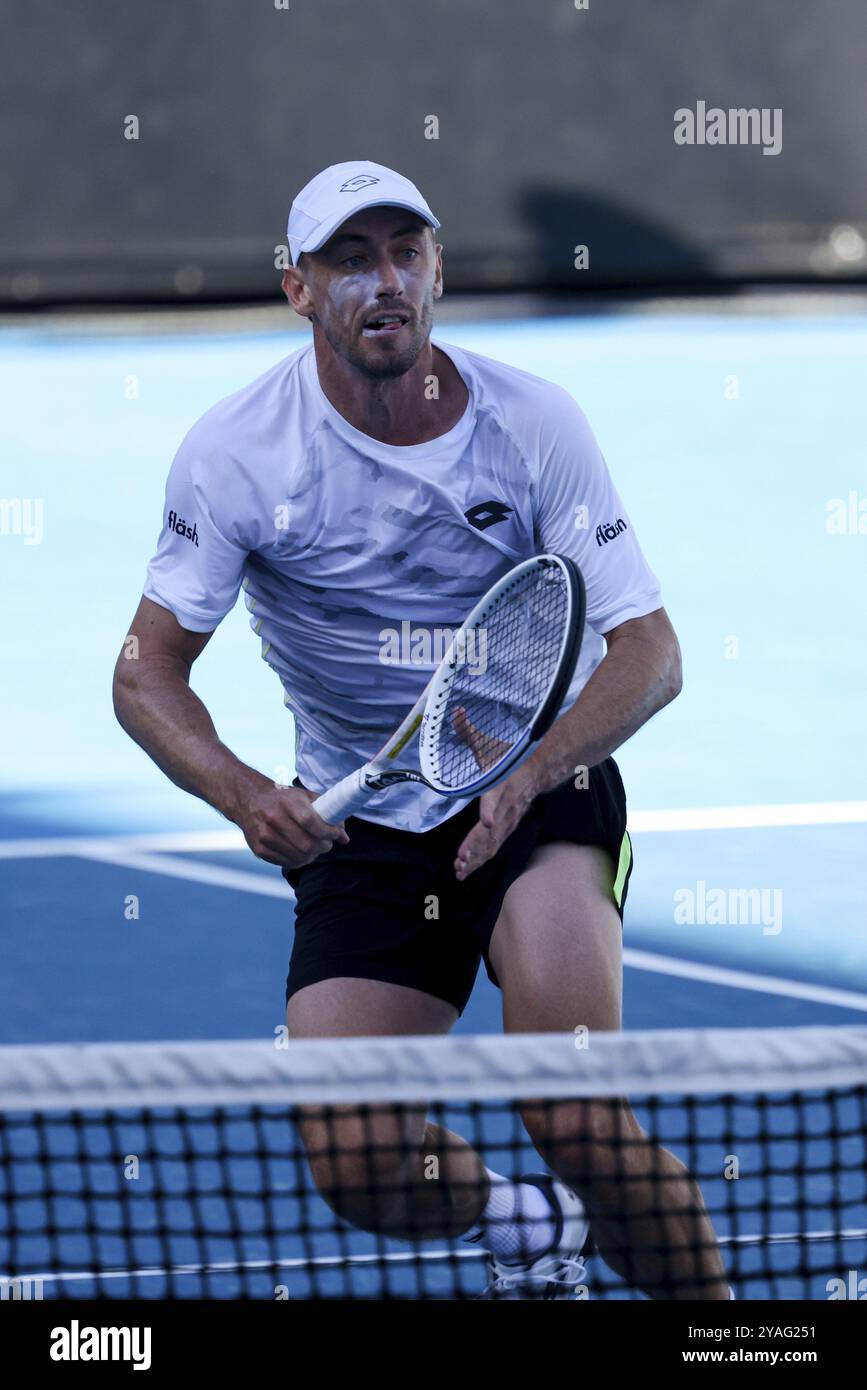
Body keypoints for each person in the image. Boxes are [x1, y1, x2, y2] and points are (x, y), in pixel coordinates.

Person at [113, 159, 728, 1300]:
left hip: (536, 793)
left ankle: (732, 1338)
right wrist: (246, 792)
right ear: (298, 288)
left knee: (577, 1111)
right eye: (351, 259)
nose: (383, 280)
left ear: (438, 267)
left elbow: (652, 653)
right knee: (354, 1158)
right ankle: (527, 1222)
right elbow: (146, 676)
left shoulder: (534, 421)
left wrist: (539, 766)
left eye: (405, 252)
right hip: (367, 825)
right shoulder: (239, 452)